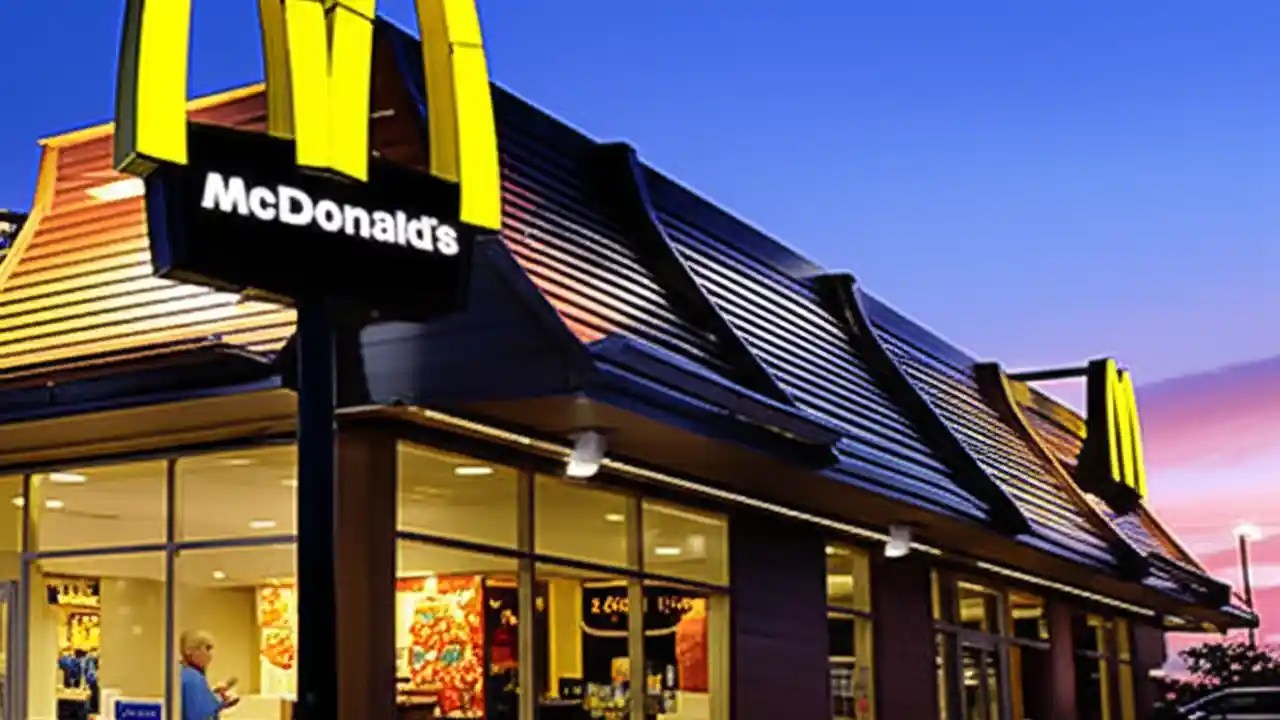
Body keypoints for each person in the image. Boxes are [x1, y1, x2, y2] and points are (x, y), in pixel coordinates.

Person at [179, 630, 239, 720]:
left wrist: (218, 699)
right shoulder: (193, 679)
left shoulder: (183, 673)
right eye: (207, 648)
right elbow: (201, 715)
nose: (211, 654)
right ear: (189, 650)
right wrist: (219, 701)